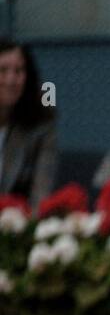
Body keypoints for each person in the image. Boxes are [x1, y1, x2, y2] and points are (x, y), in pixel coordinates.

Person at [0, 38, 57, 207]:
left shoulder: (42, 125)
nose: (11, 80)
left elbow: (41, 196)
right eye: (2, 70)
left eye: (19, 71)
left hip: (15, 227)